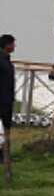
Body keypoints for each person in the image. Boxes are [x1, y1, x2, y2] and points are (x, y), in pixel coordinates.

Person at [0, 34, 15, 164]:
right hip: (2, 99)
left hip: (8, 98)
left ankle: (6, 153)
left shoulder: (7, 59)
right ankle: (2, 153)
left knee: (7, 126)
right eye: (12, 43)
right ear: (6, 45)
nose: (14, 46)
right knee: (2, 127)